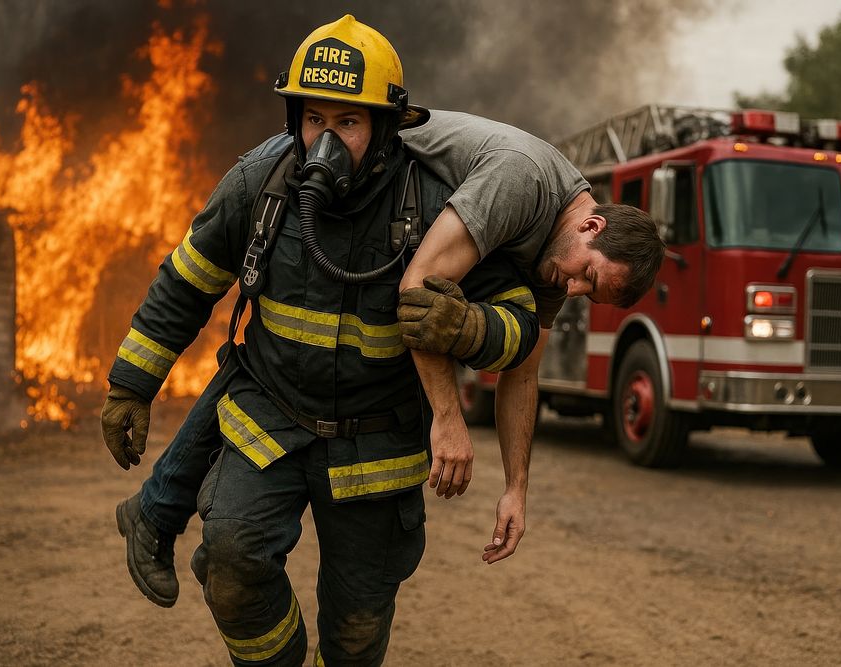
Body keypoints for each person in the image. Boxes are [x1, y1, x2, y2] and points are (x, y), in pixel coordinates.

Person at [101, 15, 541, 665]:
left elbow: (521, 318)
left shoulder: (437, 203)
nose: (325, 140)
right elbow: (186, 283)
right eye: (314, 119)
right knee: (232, 568)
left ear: (387, 128)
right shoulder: (261, 182)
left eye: (348, 122)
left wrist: (471, 327)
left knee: (357, 631)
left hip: (377, 448)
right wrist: (131, 385)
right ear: (294, 119)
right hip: (268, 422)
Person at [395, 110, 665, 563]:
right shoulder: (522, 181)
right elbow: (418, 290)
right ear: (592, 226)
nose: (573, 290)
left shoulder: (558, 259)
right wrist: (449, 418)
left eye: (588, 294)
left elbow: (522, 375)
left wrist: (515, 490)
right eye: (588, 276)